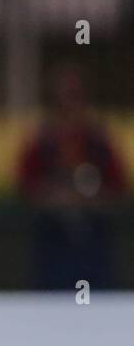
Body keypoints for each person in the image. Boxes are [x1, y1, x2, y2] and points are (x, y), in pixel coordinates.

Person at [17, 67, 128, 291]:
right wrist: (55, 198)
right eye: (62, 99)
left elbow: (118, 187)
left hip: (94, 244)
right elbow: (25, 188)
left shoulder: (98, 140)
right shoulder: (42, 141)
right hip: (53, 243)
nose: (68, 105)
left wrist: (90, 200)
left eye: (74, 96)